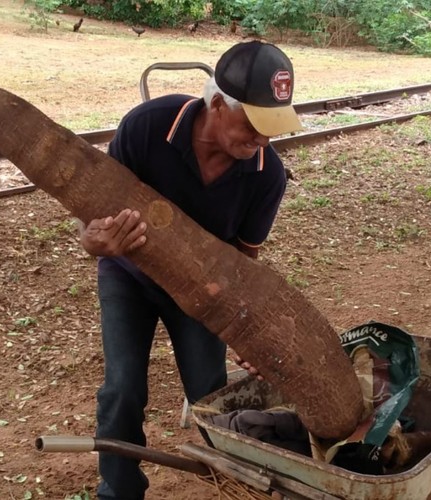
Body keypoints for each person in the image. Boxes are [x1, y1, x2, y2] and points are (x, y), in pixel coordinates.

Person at [77, 41, 303, 500]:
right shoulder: (147, 126)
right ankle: (118, 491)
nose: (261, 141)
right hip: (129, 275)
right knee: (121, 389)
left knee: (209, 394)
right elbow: (91, 214)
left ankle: (233, 484)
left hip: (201, 293)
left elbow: (242, 267)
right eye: (253, 125)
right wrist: (93, 242)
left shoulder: (267, 175)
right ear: (217, 104)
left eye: (272, 128)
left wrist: (246, 331)